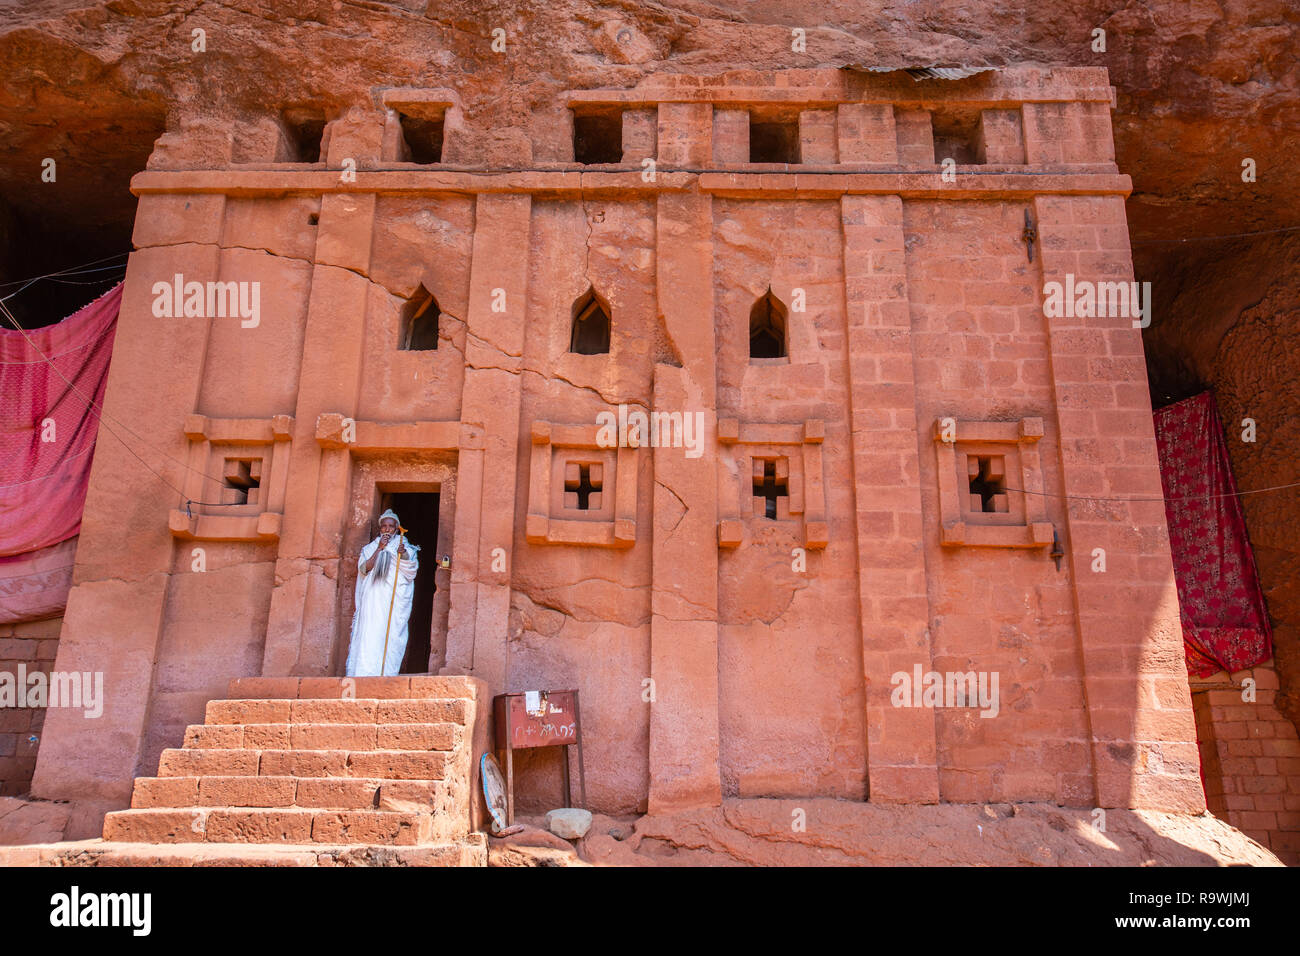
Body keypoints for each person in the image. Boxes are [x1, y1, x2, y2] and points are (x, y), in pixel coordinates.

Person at [345, 509, 419, 676]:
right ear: (380, 529)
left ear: (396, 528)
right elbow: (364, 569)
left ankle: (386, 673)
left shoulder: (405, 548)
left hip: (393, 600)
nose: (387, 529)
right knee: (369, 633)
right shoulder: (369, 548)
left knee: (390, 633)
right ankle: (364, 672)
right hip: (373, 598)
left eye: (391, 526)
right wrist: (379, 548)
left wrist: (404, 554)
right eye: (384, 526)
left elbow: (411, 570)